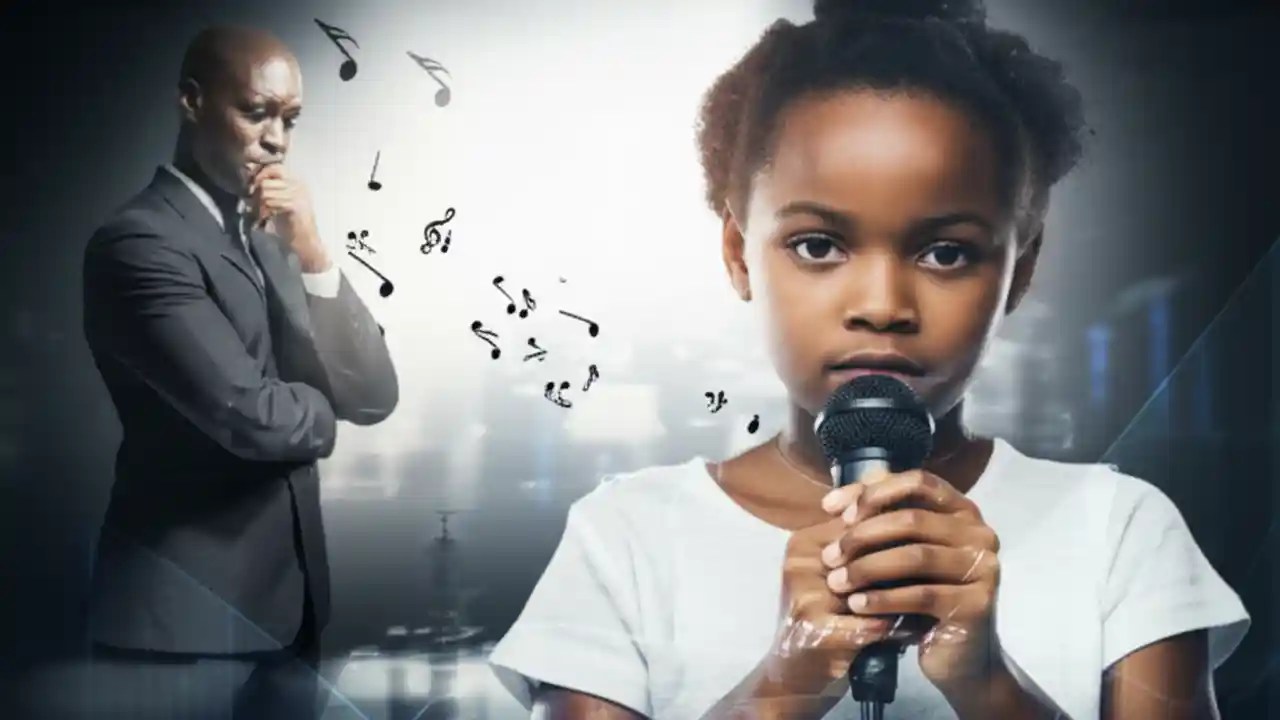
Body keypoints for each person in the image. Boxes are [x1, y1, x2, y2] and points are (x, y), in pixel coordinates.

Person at [487, 1, 1250, 718]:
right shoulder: (626, 538)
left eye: (946, 252)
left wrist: (989, 686)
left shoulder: (1121, 534)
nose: (883, 303)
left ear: (1019, 270)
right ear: (738, 253)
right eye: (818, 246)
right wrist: (781, 684)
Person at [79, 25, 398, 719]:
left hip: (286, 623)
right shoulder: (139, 243)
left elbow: (372, 396)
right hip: (178, 634)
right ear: (192, 102)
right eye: (255, 112)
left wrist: (312, 251)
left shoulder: (271, 241)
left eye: (289, 120)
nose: (276, 139)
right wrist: (320, 401)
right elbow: (251, 418)